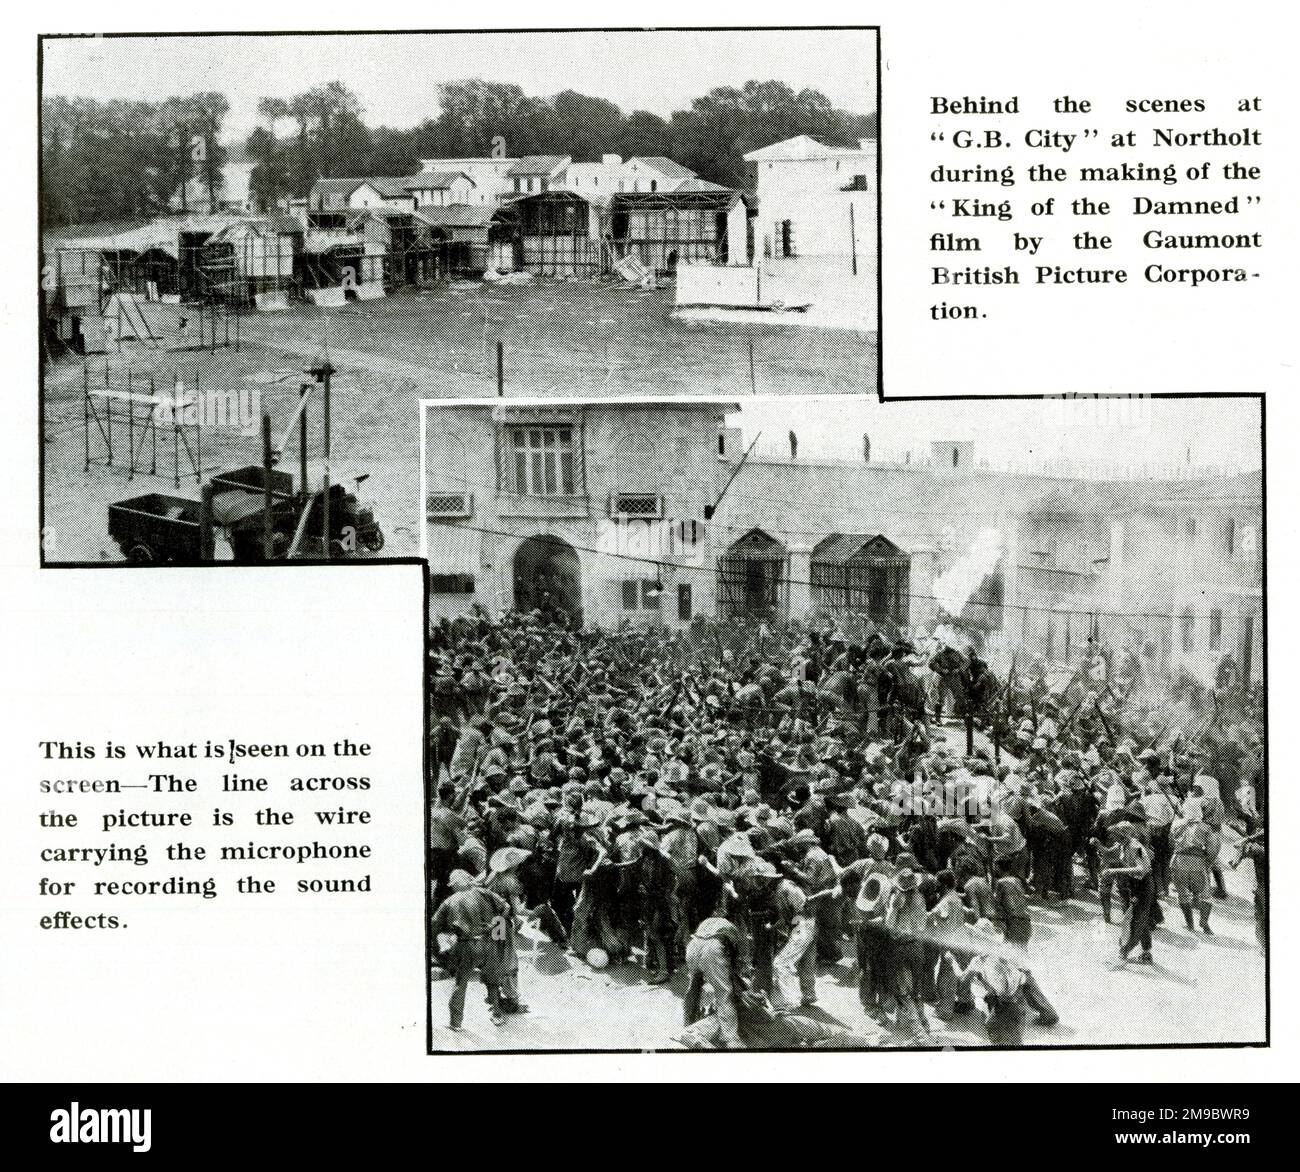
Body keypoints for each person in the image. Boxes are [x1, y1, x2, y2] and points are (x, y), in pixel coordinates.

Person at [432, 871, 512, 1031]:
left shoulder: (449, 901)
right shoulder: (483, 892)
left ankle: (455, 1023)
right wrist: (496, 928)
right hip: (489, 942)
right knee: (492, 982)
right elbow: (506, 908)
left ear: (455, 885)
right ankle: (496, 1014)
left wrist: (440, 951)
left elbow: (433, 925)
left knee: (460, 983)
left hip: (466, 945)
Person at [683, 915, 745, 1048]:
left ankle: (688, 1023)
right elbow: (735, 964)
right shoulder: (733, 929)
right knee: (724, 994)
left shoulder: (708, 921)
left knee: (694, 986)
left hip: (693, 945)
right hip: (712, 946)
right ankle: (731, 1038)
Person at [1102, 822, 1156, 966]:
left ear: (1122, 834)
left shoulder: (1134, 846)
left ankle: (1124, 952)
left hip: (1144, 884)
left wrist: (1114, 871)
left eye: (1115, 833)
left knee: (1135, 921)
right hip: (1136, 885)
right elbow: (1109, 853)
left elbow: (1141, 869)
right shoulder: (1122, 845)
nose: (1112, 836)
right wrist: (1097, 846)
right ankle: (1146, 952)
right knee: (1138, 919)